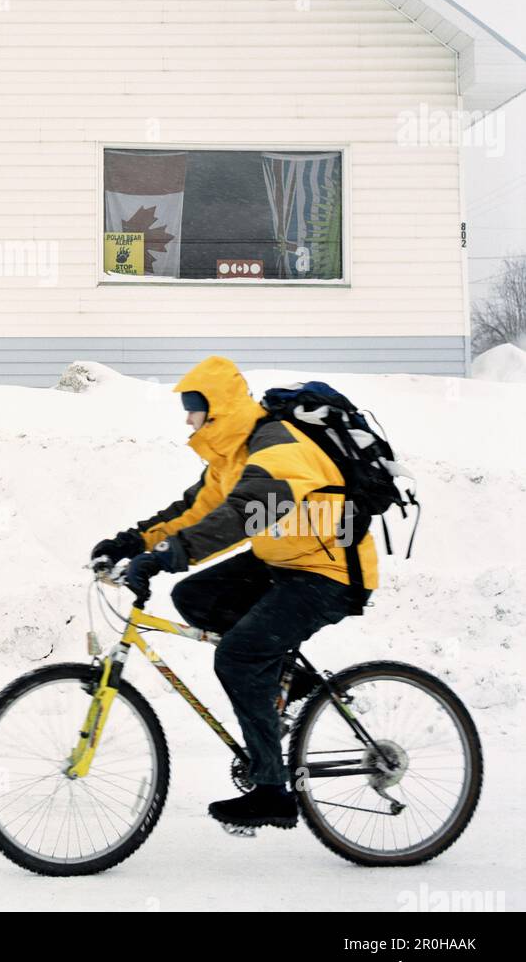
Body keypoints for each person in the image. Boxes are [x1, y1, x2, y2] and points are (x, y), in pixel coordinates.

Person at [90, 355, 376, 831]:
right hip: (284, 560)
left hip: (328, 571)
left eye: (193, 406)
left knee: (239, 657)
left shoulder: (278, 445)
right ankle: (291, 683)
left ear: (218, 408)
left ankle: (271, 791)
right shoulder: (231, 456)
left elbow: (247, 512)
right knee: (196, 598)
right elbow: (193, 510)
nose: (187, 418)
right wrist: (134, 542)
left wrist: (166, 555)